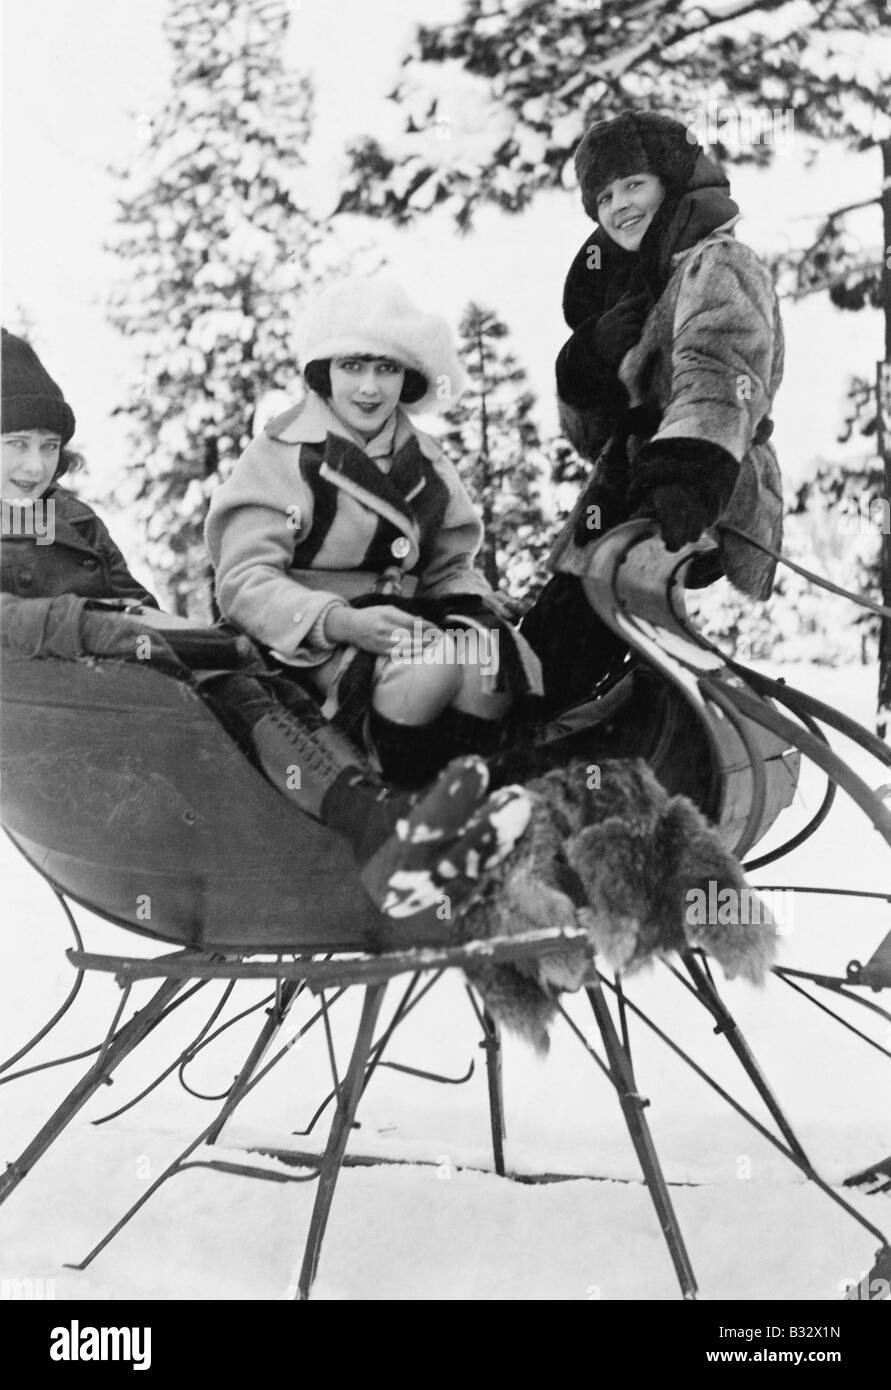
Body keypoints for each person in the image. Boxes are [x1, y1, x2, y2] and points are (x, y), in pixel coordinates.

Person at [0, 327, 532, 928]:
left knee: (250, 671)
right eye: (15, 442)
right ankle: (375, 827)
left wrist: (164, 631)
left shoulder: (67, 516)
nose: (34, 465)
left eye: (48, 445)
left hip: (118, 675)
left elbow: (130, 599)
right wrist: (88, 625)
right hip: (63, 708)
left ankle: (377, 815)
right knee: (227, 684)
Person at [206, 277, 542, 788]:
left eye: (385, 369)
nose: (368, 387)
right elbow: (244, 581)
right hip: (307, 644)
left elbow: (449, 565)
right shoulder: (285, 451)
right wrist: (339, 623)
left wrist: (468, 603)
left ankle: (469, 807)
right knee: (429, 672)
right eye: (352, 366)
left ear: (406, 378)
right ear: (325, 372)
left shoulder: (426, 458)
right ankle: (393, 804)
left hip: (412, 624)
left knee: (488, 666)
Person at [521, 111, 785, 713]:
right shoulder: (645, 289)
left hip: (699, 484)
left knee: (560, 654)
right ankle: (551, 767)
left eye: (633, 184)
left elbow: (721, 372)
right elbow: (596, 439)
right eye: (604, 196)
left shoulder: (717, 264)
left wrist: (686, 473)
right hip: (630, 492)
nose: (619, 206)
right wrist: (586, 363)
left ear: (672, 182)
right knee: (559, 656)